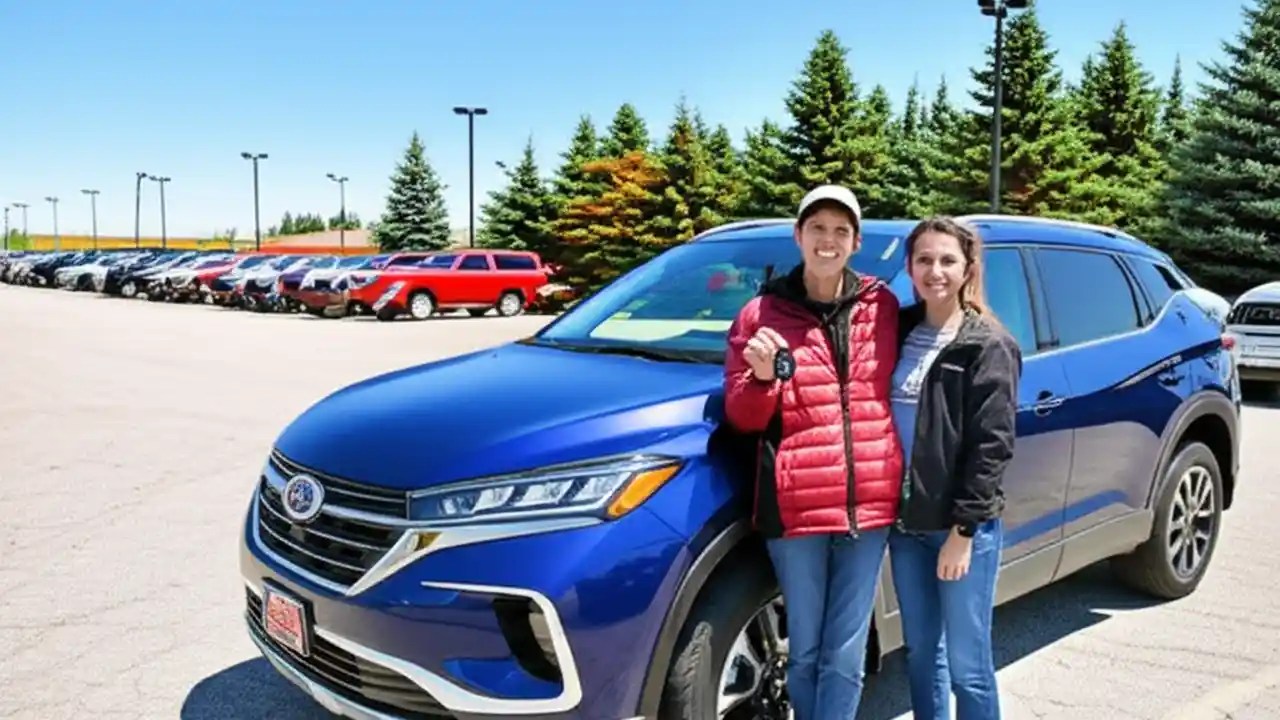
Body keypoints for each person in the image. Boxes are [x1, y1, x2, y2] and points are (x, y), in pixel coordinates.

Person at [723, 184, 903, 720]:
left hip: (869, 505)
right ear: (799, 235)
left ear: (856, 241)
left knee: (846, 651)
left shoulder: (882, 306)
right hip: (796, 508)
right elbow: (743, 417)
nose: (829, 240)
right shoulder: (759, 314)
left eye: (841, 231)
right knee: (804, 648)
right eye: (818, 229)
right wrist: (759, 380)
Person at [887, 216, 1022, 720]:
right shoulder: (899, 329)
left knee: (968, 664)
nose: (935, 271)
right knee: (922, 654)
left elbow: (992, 447)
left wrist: (963, 531)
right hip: (906, 526)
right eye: (924, 259)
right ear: (910, 266)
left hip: (960, 531)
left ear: (968, 269)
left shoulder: (987, 345)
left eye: (947, 260)